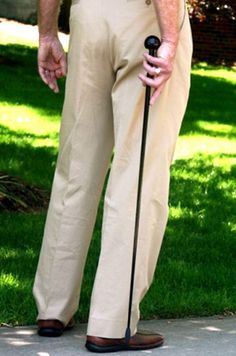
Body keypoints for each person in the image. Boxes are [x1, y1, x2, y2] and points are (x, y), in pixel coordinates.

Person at [33, 0, 193, 352]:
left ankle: (52, 308)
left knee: (77, 164)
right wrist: (169, 39)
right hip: (146, 18)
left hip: (89, 16)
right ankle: (111, 322)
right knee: (139, 172)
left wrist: (47, 32)